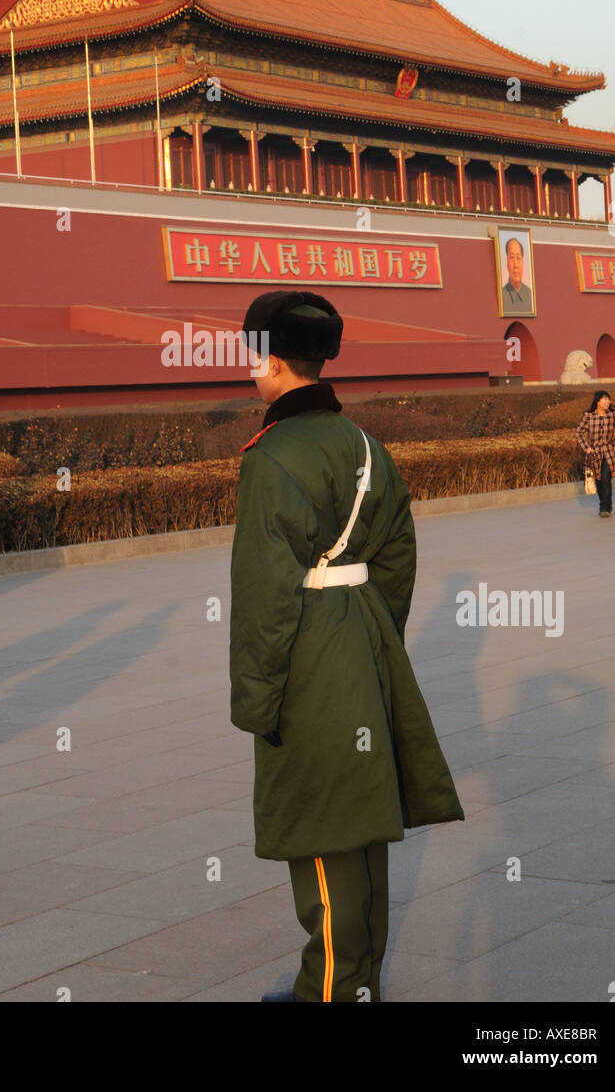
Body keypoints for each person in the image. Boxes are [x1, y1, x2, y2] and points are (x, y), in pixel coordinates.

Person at [229, 289, 464, 1004]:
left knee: (325, 823)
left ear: (269, 361)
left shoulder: (274, 457)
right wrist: (373, 634)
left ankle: (329, 990)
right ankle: (355, 979)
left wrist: (256, 697)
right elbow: (396, 555)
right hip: (361, 635)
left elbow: (265, 593)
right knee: (361, 823)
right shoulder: (366, 444)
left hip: (310, 652)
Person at [576, 390, 615, 518]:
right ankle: (606, 503)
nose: (607, 402)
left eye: (608, 399)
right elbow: (579, 432)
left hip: (609, 451)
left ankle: (605, 507)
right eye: (605, 399)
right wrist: (587, 447)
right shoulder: (588, 416)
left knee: (606, 478)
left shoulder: (613, 415)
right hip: (594, 453)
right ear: (598, 401)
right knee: (599, 479)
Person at [500, 237, 534, 312]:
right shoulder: (501, 296)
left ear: (523, 263)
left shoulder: (530, 296)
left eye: (518, 258)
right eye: (511, 258)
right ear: (507, 263)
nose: (515, 265)